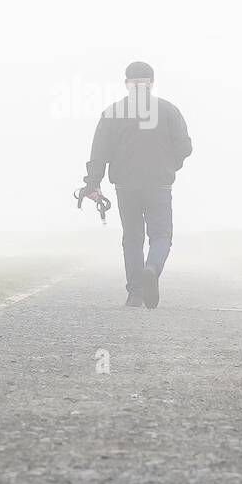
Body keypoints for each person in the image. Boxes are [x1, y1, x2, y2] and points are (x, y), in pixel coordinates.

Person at [82, 61, 193, 308]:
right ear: (151, 83)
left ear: (127, 84)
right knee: (161, 235)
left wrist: (93, 183)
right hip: (159, 185)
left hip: (125, 186)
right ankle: (152, 268)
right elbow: (185, 147)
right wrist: (169, 165)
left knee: (132, 238)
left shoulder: (112, 113)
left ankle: (135, 293)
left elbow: (99, 152)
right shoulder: (168, 111)